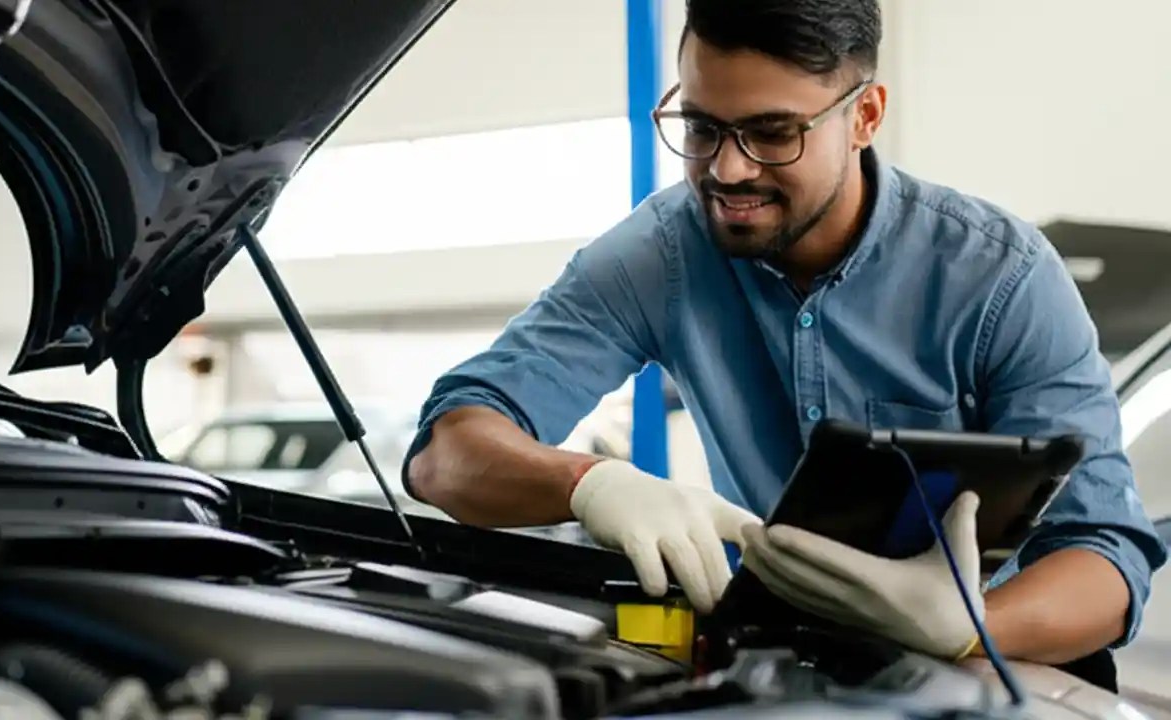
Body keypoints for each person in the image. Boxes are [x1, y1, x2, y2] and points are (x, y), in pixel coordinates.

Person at [402, 0, 1166, 667]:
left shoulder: (999, 277)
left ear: (865, 116)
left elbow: (1104, 555)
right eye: (701, 127)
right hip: (786, 657)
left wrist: (965, 629)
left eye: (773, 133)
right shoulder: (662, 254)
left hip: (998, 670)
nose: (727, 170)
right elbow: (446, 454)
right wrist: (587, 483)